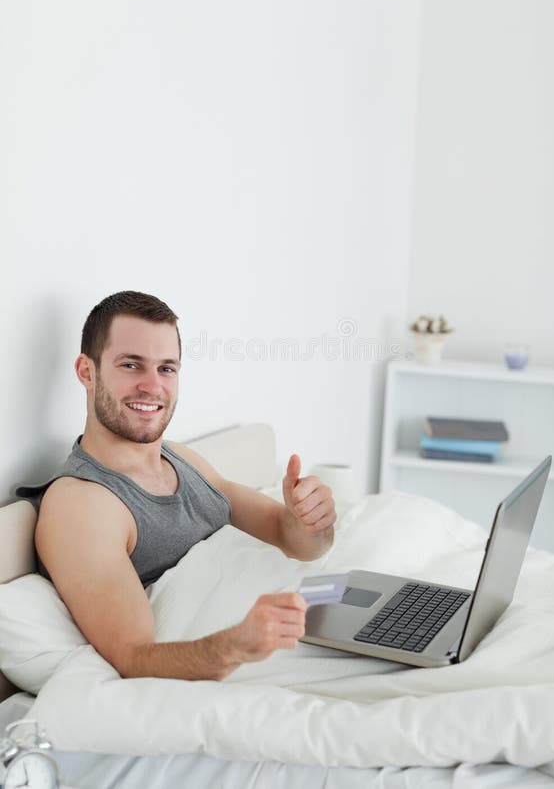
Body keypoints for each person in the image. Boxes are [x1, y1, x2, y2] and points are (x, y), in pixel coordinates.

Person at [32, 291, 336, 681]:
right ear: (87, 372)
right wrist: (237, 645)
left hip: (305, 622)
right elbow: (134, 657)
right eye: (131, 365)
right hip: (248, 662)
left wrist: (313, 520)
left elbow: (293, 539)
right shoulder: (82, 504)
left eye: (166, 368)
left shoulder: (181, 458)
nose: (152, 386)